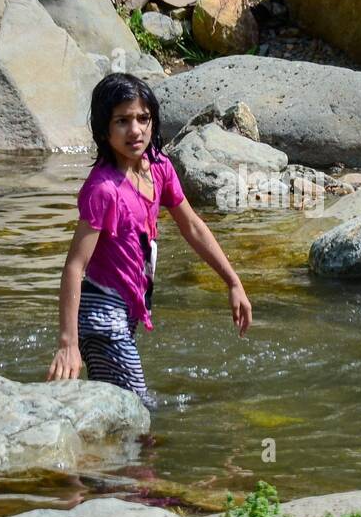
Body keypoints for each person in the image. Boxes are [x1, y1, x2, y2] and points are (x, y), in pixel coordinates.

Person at [47, 73, 252, 406]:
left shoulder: (158, 168)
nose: (136, 130)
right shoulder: (104, 189)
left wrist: (233, 282)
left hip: (127, 310)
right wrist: (68, 343)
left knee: (122, 408)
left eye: (143, 118)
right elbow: (74, 266)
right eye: (123, 121)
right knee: (141, 410)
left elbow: (194, 227)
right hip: (101, 315)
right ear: (104, 130)